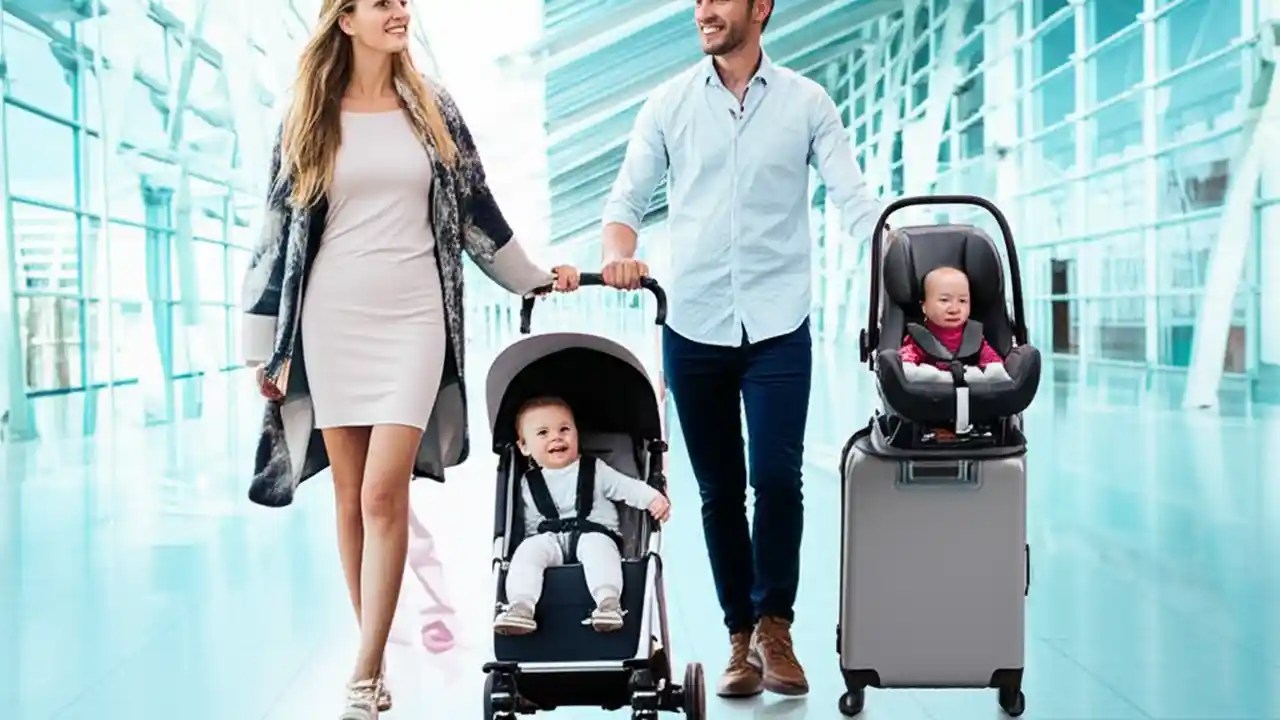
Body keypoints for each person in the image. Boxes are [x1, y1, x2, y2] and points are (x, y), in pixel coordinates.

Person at [238, 1, 580, 717]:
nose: (399, 12)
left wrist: (536, 276)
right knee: (349, 496)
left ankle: (364, 669)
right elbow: (275, 230)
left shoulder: (432, 108)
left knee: (382, 494)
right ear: (346, 19)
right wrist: (260, 343)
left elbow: (478, 209)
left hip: (416, 318)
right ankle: (375, 644)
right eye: (382, 3)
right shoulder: (310, 113)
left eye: (401, 2)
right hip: (331, 319)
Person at [597, 0, 884, 700]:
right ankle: (737, 638)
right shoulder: (667, 105)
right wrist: (619, 253)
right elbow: (625, 201)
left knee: (779, 479)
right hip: (692, 326)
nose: (704, 11)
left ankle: (775, 625)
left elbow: (854, 200)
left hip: (779, 324)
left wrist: (906, 253)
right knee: (720, 491)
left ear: (761, 9)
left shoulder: (806, 103)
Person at [493, 397, 671, 635]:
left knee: (599, 550)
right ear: (524, 447)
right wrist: (529, 545)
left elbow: (625, 486)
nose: (556, 437)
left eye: (564, 429)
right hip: (549, 540)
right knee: (527, 553)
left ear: (577, 434)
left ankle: (608, 602)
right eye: (543, 433)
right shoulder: (528, 482)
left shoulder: (595, 469)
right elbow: (527, 524)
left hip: (593, 532)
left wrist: (652, 498)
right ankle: (521, 605)